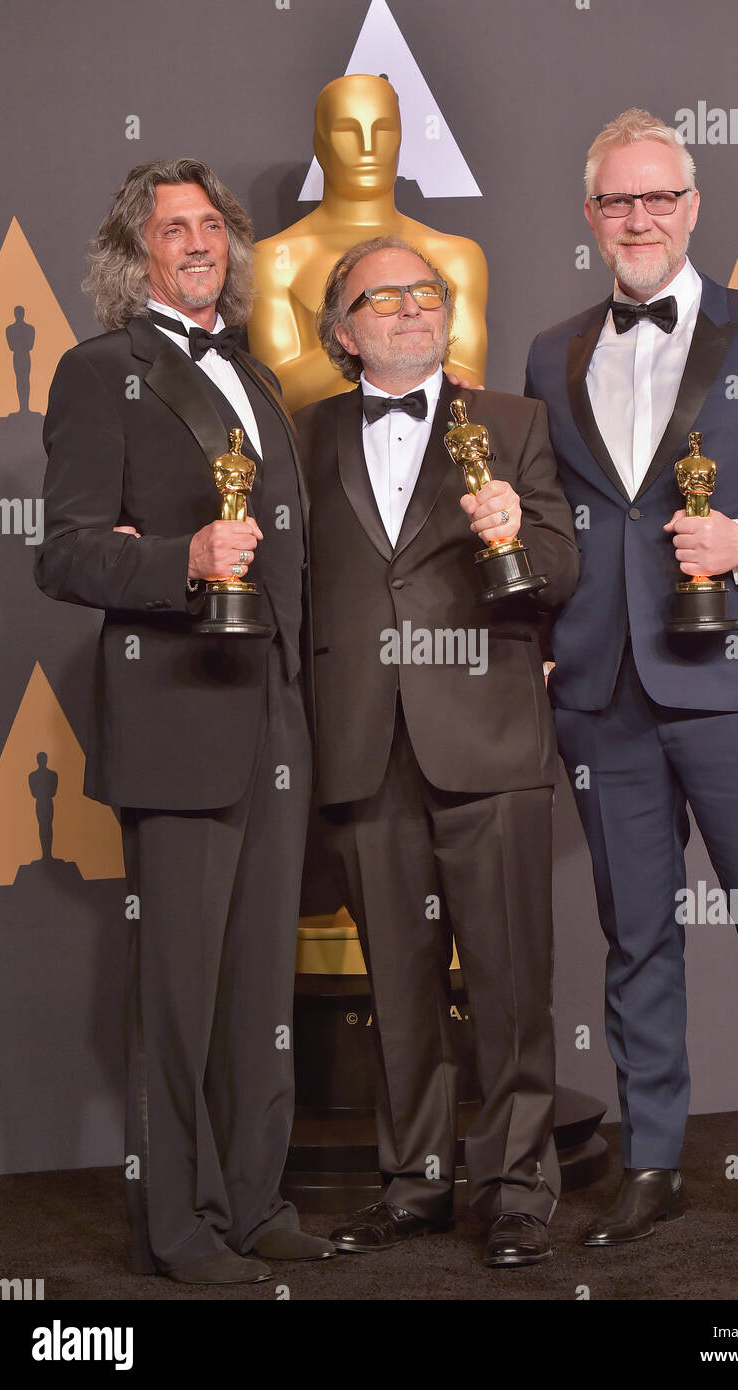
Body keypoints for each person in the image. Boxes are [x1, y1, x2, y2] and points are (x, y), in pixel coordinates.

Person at [525, 108, 738, 1248]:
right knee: (636, 935)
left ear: (692, 206)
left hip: (734, 682)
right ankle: (654, 1160)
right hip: (603, 690)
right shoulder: (551, 350)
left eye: (659, 197)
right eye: (618, 200)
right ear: (591, 217)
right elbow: (560, 518)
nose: (639, 217)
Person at [35, 158, 334, 1283]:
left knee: (260, 987)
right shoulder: (95, 371)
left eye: (212, 223)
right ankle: (174, 1227)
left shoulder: (256, 378)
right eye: (174, 227)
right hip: (173, 724)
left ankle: (253, 1200)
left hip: (274, 724)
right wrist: (183, 560)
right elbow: (62, 551)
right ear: (136, 253)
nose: (199, 240)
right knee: (178, 994)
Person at [295, 236, 579, 1267]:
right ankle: (414, 1180)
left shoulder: (513, 424)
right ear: (342, 327)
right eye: (386, 296)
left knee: (508, 980)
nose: (413, 309)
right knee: (399, 987)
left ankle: (516, 1187)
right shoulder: (301, 435)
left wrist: (520, 532)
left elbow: (561, 568)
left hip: (489, 735)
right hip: (364, 742)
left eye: (429, 293)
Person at [250, 74, 487, 411]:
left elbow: (465, 385)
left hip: (438, 453)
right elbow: (278, 392)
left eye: (383, 130)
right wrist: (395, 343)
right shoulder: (273, 261)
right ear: (320, 143)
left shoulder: (459, 258)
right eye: (348, 130)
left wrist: (369, 343)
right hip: (320, 456)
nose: (367, 147)